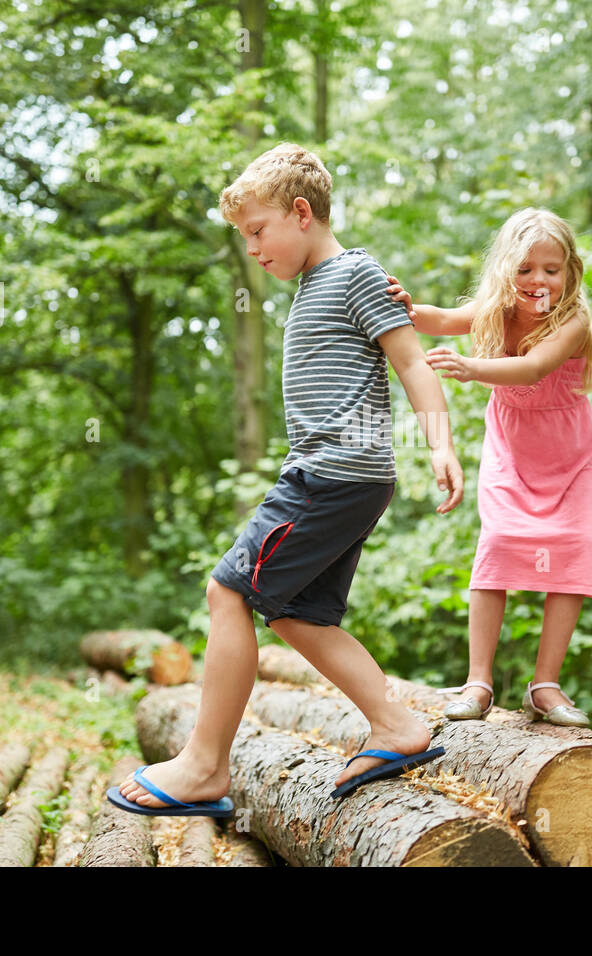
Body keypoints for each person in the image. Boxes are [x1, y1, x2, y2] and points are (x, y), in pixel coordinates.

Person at [109, 143, 465, 815]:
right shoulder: (313, 283)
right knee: (297, 613)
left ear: (301, 213)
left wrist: (440, 447)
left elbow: (413, 364)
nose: (251, 248)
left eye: (256, 231)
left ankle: (204, 766)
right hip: (342, 478)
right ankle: (396, 726)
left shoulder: (357, 274)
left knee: (226, 591)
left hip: (330, 476)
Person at [385, 208, 592, 727]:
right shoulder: (498, 311)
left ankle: (545, 684)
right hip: (511, 453)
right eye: (526, 269)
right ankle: (478, 681)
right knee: (499, 543)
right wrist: (408, 308)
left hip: (568, 459)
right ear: (507, 269)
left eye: (552, 269)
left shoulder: (574, 321)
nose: (538, 280)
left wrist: (471, 369)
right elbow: (440, 318)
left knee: (572, 550)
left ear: (570, 271)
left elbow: (533, 367)